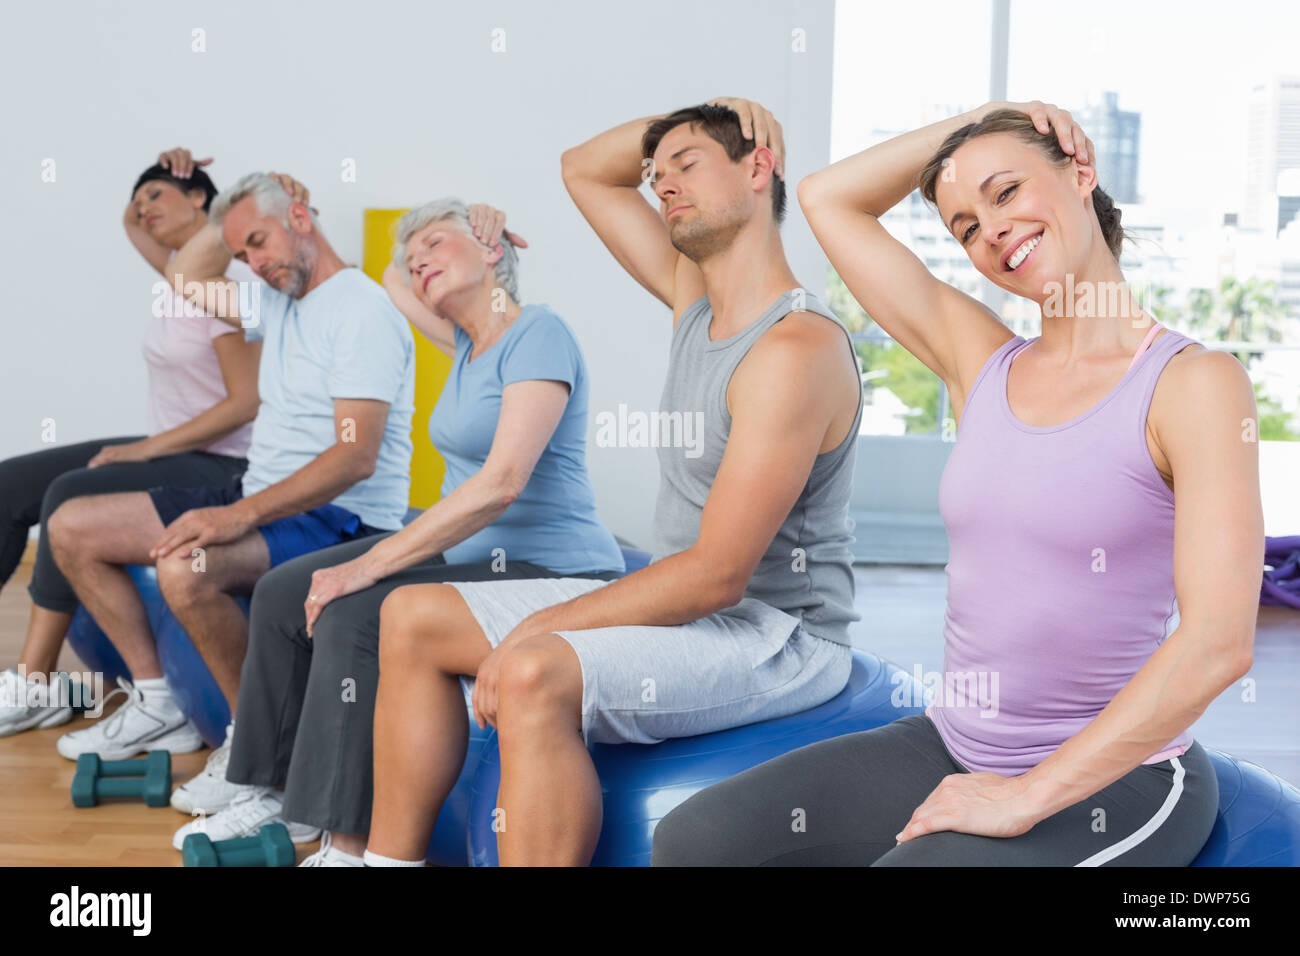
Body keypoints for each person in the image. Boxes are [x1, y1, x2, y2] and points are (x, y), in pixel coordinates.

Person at [651, 100, 1264, 866]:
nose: (992, 229)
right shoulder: (981, 359)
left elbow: (1219, 643)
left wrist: (1025, 794)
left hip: (1121, 781)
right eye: (965, 226)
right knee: (694, 841)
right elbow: (828, 199)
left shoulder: (1192, 383)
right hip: (954, 741)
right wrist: (987, 115)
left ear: (1080, 171)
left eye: (1006, 192)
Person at [361, 97, 864, 867]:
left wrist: (538, 629)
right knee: (410, 617)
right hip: (694, 608)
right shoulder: (695, 302)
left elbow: (718, 576)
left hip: (777, 636)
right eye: (657, 177)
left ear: (760, 165)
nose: (663, 186)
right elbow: (583, 169)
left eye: (688, 166)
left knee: (534, 670)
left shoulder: (795, 348)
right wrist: (703, 111)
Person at [167, 200, 627, 865]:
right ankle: (273, 791)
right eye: (417, 258)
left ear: (491, 252)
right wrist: (440, 234)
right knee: (283, 590)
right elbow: (387, 276)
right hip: (472, 555)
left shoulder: (537, 332)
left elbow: (502, 484)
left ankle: (350, 847)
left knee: (356, 613)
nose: (418, 263)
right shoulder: (467, 342)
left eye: (437, 245)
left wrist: (370, 565)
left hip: (547, 565)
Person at [48, 173, 416, 800]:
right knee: (70, 528)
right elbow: (184, 280)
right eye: (242, 251)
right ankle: (161, 702)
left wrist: (236, 517)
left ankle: (251, 747)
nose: (254, 262)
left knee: (187, 570)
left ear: (301, 217)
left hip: (340, 516)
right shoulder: (277, 299)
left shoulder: (359, 309)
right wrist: (230, 221)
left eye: (260, 242)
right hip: (263, 491)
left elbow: (355, 457)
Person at [0, 149, 259, 737]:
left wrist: (145, 450)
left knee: (68, 494)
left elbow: (246, 403)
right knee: (9, 482)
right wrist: (151, 180)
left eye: (157, 196)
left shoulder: (223, 285)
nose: (142, 210)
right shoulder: (175, 273)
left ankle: (36, 681)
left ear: (201, 200)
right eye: (139, 200)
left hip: (223, 461)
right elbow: (127, 223)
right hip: (172, 446)